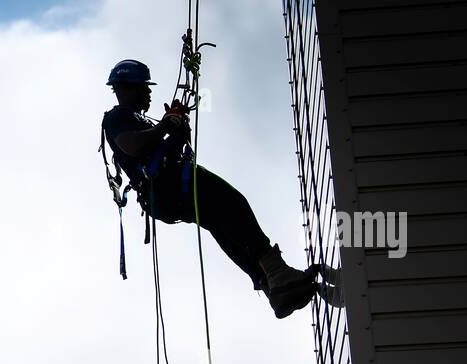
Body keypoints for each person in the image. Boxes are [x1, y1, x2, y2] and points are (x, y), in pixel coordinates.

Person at [101, 59, 319, 319]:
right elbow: (131, 146)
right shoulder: (117, 118)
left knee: (223, 226)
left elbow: (156, 149)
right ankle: (277, 271)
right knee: (234, 203)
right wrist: (165, 126)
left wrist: (176, 130)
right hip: (168, 186)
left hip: (168, 191)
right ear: (126, 88)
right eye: (143, 87)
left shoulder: (140, 120)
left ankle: (272, 284)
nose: (148, 93)